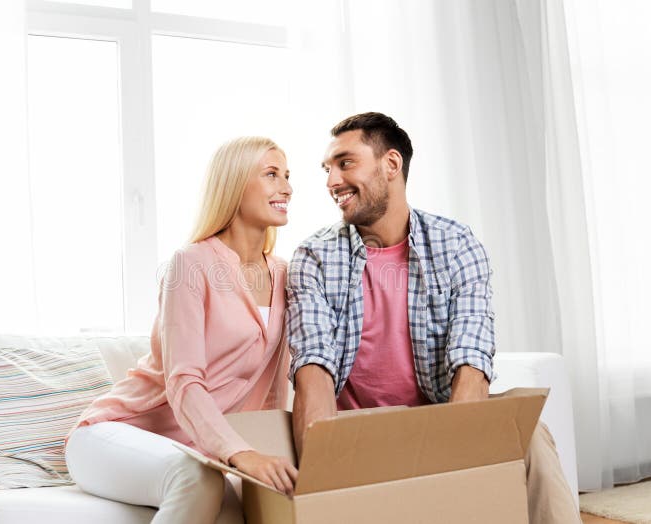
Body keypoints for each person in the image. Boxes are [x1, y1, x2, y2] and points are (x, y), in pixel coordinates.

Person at [287, 112, 581, 523]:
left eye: (345, 163)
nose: (332, 181)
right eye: (327, 169)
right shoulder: (314, 256)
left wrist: (450, 460)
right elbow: (313, 371)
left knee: (532, 437)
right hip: (360, 431)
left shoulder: (456, 244)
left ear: (391, 164)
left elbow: (471, 362)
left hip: (439, 419)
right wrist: (324, 471)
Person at [65, 136, 297, 524]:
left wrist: (268, 460)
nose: (287, 187)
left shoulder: (285, 275)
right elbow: (184, 380)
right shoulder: (190, 264)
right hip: (115, 434)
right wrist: (241, 454)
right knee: (197, 479)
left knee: (237, 512)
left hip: (202, 453)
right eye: (271, 174)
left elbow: (272, 391)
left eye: (288, 176)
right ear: (234, 183)